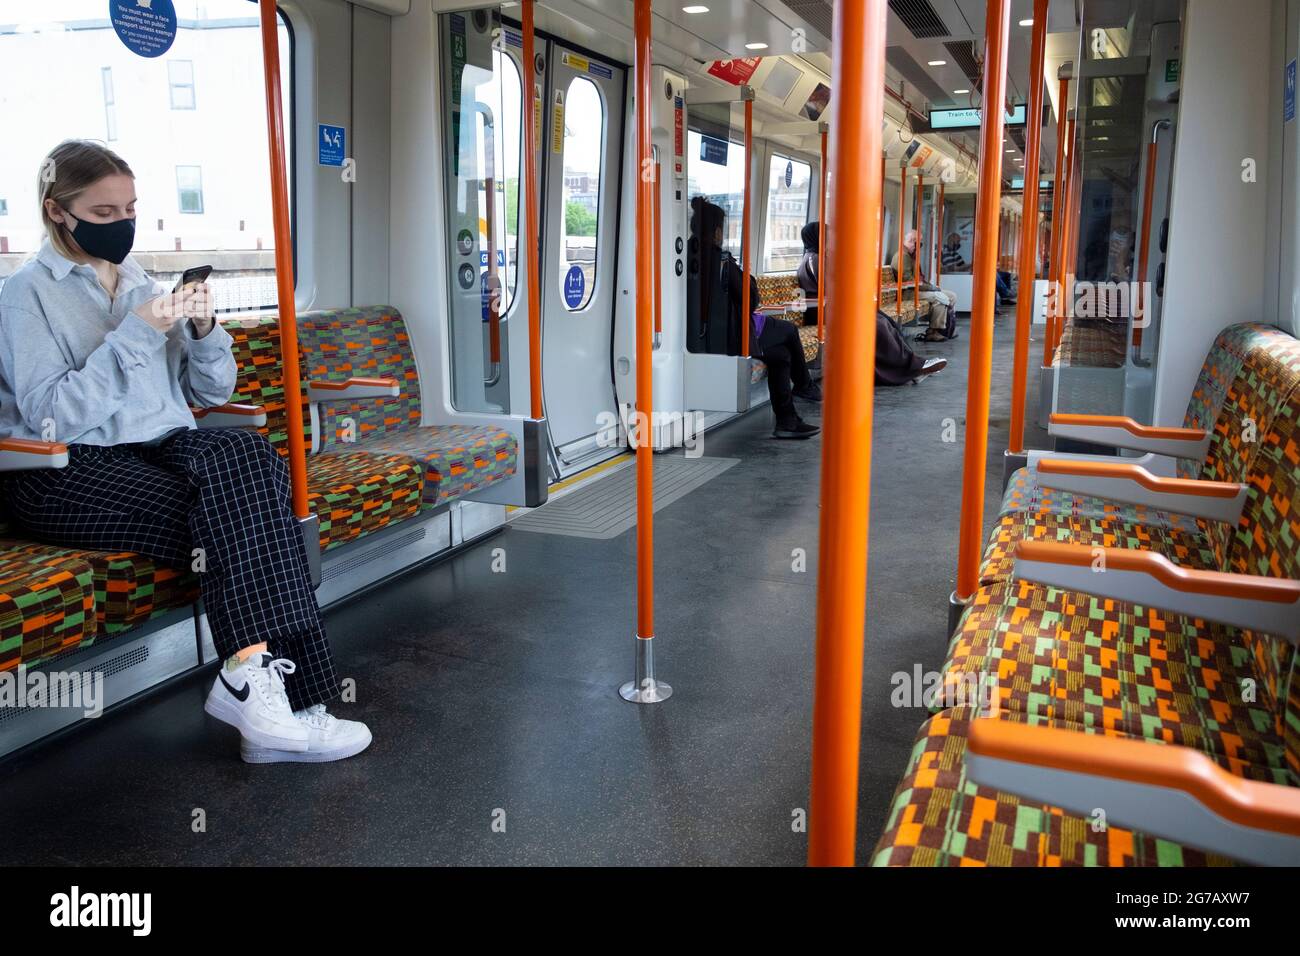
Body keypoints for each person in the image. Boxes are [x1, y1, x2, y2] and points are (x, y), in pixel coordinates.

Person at [0, 140, 370, 765]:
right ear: (58, 212)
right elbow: (48, 418)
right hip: (64, 468)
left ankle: (255, 687)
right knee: (250, 517)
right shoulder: (24, 296)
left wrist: (203, 331)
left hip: (161, 445)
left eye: (131, 208)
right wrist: (136, 334)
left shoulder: (141, 281)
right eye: (106, 211)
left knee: (251, 457)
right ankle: (289, 698)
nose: (124, 223)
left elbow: (210, 391)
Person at [694, 198, 820, 439]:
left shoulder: (691, 255)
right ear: (718, 231)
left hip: (713, 331)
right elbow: (751, 299)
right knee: (790, 331)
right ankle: (804, 385)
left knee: (781, 355)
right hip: (732, 334)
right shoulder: (720, 261)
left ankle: (787, 421)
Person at [798, 222, 943, 386]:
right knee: (876, 325)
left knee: (885, 320)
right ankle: (912, 368)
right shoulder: (814, 259)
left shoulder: (821, 258)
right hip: (824, 312)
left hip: (834, 308)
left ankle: (911, 367)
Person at [892, 229, 957, 342]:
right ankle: (936, 330)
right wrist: (930, 288)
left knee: (949, 296)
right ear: (912, 241)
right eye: (918, 244)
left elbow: (918, 278)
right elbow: (909, 281)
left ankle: (935, 330)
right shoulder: (903, 256)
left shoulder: (910, 256)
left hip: (916, 290)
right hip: (908, 293)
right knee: (942, 298)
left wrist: (932, 287)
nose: (918, 247)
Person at [942, 232, 1015, 308]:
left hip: (965, 272)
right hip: (957, 275)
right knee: (993, 274)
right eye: (957, 241)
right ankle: (1005, 293)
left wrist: (973, 265)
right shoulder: (946, 252)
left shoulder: (955, 253)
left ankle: (1005, 298)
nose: (958, 244)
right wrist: (972, 264)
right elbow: (954, 269)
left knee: (1006, 275)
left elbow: (962, 265)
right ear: (951, 240)